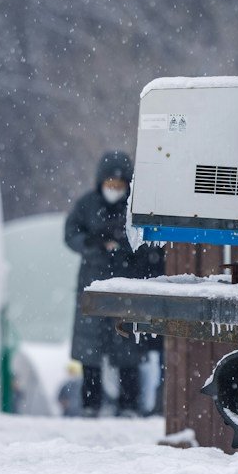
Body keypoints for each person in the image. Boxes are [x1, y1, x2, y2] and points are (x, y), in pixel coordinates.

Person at [65, 151, 156, 417]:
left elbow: (146, 242)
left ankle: (129, 404)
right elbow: (71, 234)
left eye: (119, 184)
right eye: (109, 183)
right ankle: (90, 404)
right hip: (92, 282)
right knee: (90, 347)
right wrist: (92, 244)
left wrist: (124, 246)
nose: (114, 189)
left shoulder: (135, 206)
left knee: (127, 344)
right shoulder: (86, 205)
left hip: (127, 284)